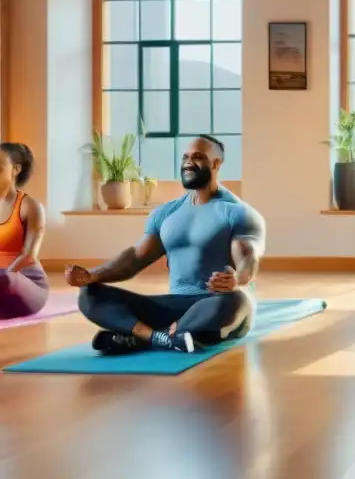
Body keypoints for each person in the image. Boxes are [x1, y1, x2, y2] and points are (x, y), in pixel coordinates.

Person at [66, 135, 265, 355]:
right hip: (174, 305)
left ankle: (142, 336)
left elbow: (248, 258)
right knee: (89, 295)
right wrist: (92, 276)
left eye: (198, 157)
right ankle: (165, 336)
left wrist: (236, 280)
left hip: (214, 303)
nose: (189, 162)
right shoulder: (166, 213)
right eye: (185, 157)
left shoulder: (238, 213)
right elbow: (136, 258)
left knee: (239, 300)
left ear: (216, 164)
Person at [0, 143, 49, 319]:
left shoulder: (30, 206)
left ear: (16, 169)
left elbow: (29, 256)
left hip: (25, 283)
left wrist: (5, 273)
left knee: (4, 278)